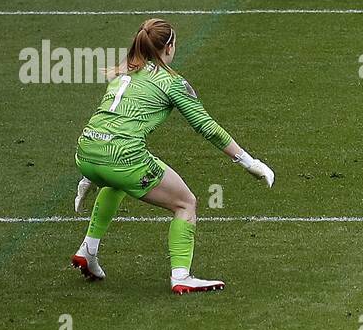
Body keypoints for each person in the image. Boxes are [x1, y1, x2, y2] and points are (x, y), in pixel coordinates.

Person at [71, 18, 274, 293]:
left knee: (116, 182)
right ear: (168, 48)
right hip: (123, 157)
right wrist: (249, 162)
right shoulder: (172, 83)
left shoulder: (124, 75)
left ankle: (88, 251)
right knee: (186, 203)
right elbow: (206, 127)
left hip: (86, 152)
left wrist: (88, 177)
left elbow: (107, 121)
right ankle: (181, 276)